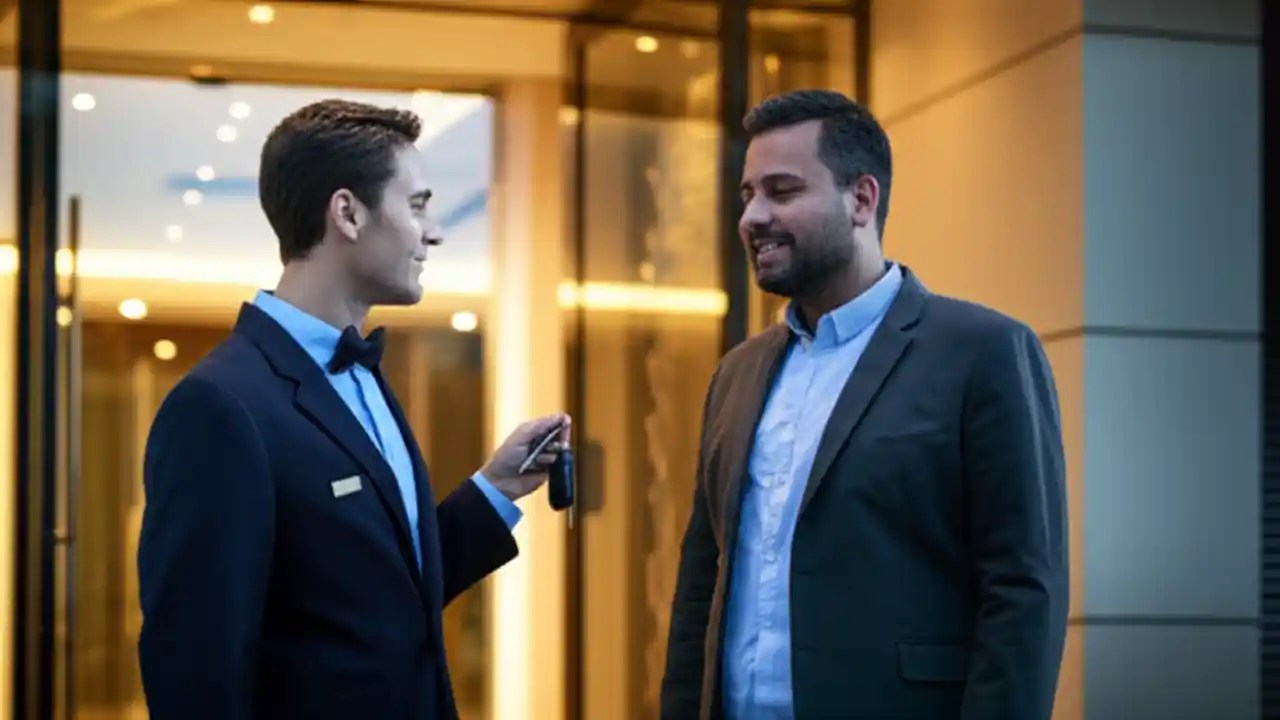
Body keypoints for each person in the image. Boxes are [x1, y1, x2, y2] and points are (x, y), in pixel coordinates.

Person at [137, 99, 569, 720]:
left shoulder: (365, 378)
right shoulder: (219, 406)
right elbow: (194, 668)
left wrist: (495, 488)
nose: (435, 231)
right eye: (417, 205)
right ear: (348, 213)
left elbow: (381, 596)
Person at [660, 90, 1068, 719]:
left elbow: (1021, 593)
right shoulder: (735, 376)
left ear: (861, 199)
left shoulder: (983, 354)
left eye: (783, 191)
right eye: (747, 195)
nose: (752, 217)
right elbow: (700, 587)